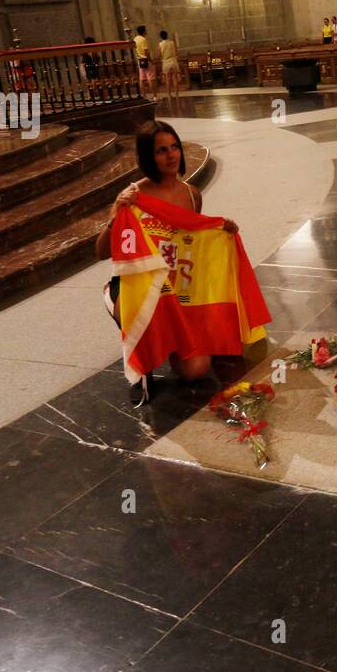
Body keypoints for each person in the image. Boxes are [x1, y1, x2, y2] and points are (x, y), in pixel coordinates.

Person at [95, 121, 240, 404]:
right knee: (146, 354)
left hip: (175, 289)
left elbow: (192, 240)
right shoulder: (134, 196)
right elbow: (101, 252)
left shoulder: (191, 194)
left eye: (174, 147)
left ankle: (167, 336)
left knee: (196, 369)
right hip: (136, 285)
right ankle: (125, 317)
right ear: (148, 157)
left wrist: (222, 231)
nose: (171, 155)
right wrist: (116, 216)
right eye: (161, 150)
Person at [134, 25, 156, 101]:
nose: (146, 31)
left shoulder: (135, 39)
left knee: (142, 79)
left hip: (139, 61)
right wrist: (150, 60)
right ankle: (154, 96)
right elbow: (146, 51)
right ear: (143, 31)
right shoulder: (143, 39)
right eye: (146, 30)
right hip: (146, 60)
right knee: (151, 79)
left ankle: (144, 96)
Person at [158, 29, 180, 105]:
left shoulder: (160, 44)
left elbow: (160, 55)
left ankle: (169, 95)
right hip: (173, 61)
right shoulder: (172, 42)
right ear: (167, 35)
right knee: (174, 78)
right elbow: (176, 52)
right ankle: (177, 95)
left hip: (166, 62)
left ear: (161, 37)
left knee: (167, 79)